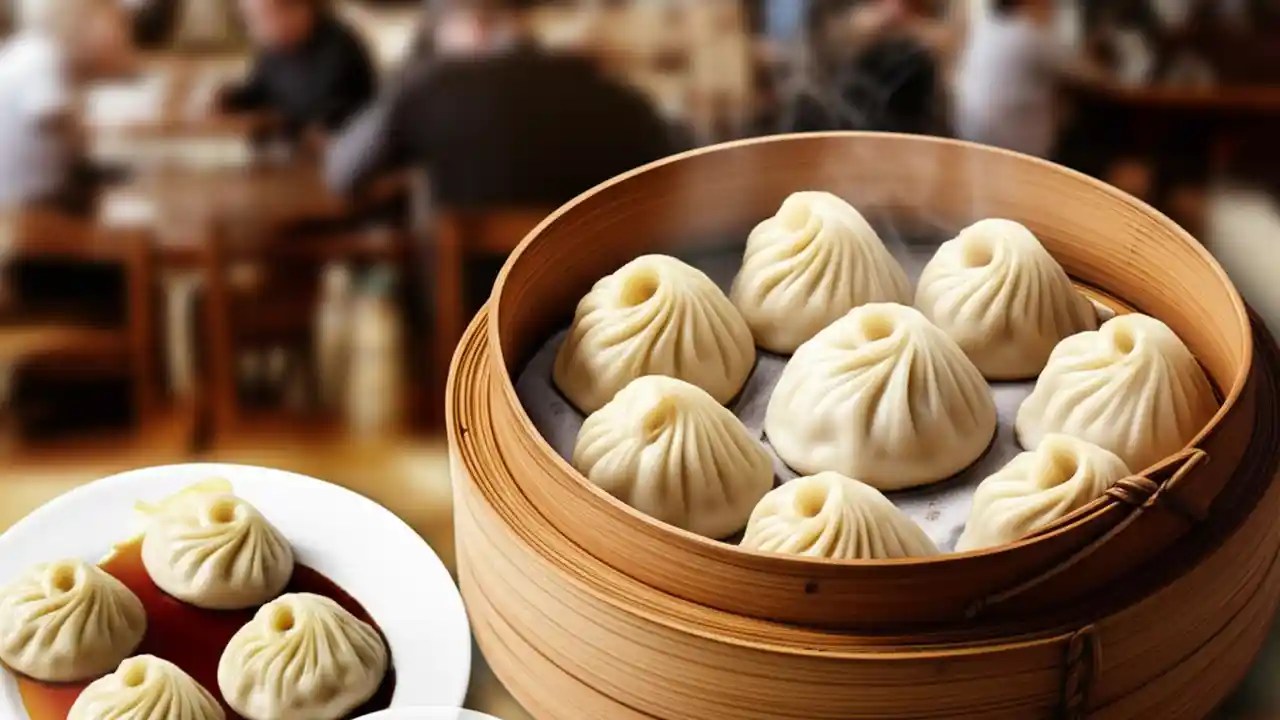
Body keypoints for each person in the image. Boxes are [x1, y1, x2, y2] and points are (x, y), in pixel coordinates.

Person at [325, 0, 675, 208]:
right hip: (591, 310)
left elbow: (342, 171)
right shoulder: (597, 87)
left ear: (470, 26)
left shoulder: (427, 88)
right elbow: (673, 163)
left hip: (468, 320)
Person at [0, 0, 135, 212]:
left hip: (35, 195)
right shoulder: (39, 55)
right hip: (22, 205)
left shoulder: (41, 52)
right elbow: (52, 117)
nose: (122, 34)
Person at [221, 0, 376, 143]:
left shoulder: (339, 49)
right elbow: (259, 92)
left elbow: (323, 120)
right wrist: (225, 97)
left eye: (263, 18)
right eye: (251, 21)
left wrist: (275, 125)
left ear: (300, 8)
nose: (257, 31)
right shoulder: (276, 49)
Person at [953, 0, 1080, 158]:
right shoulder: (1033, 37)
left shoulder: (988, 26)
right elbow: (1078, 72)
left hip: (970, 131)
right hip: (1015, 145)